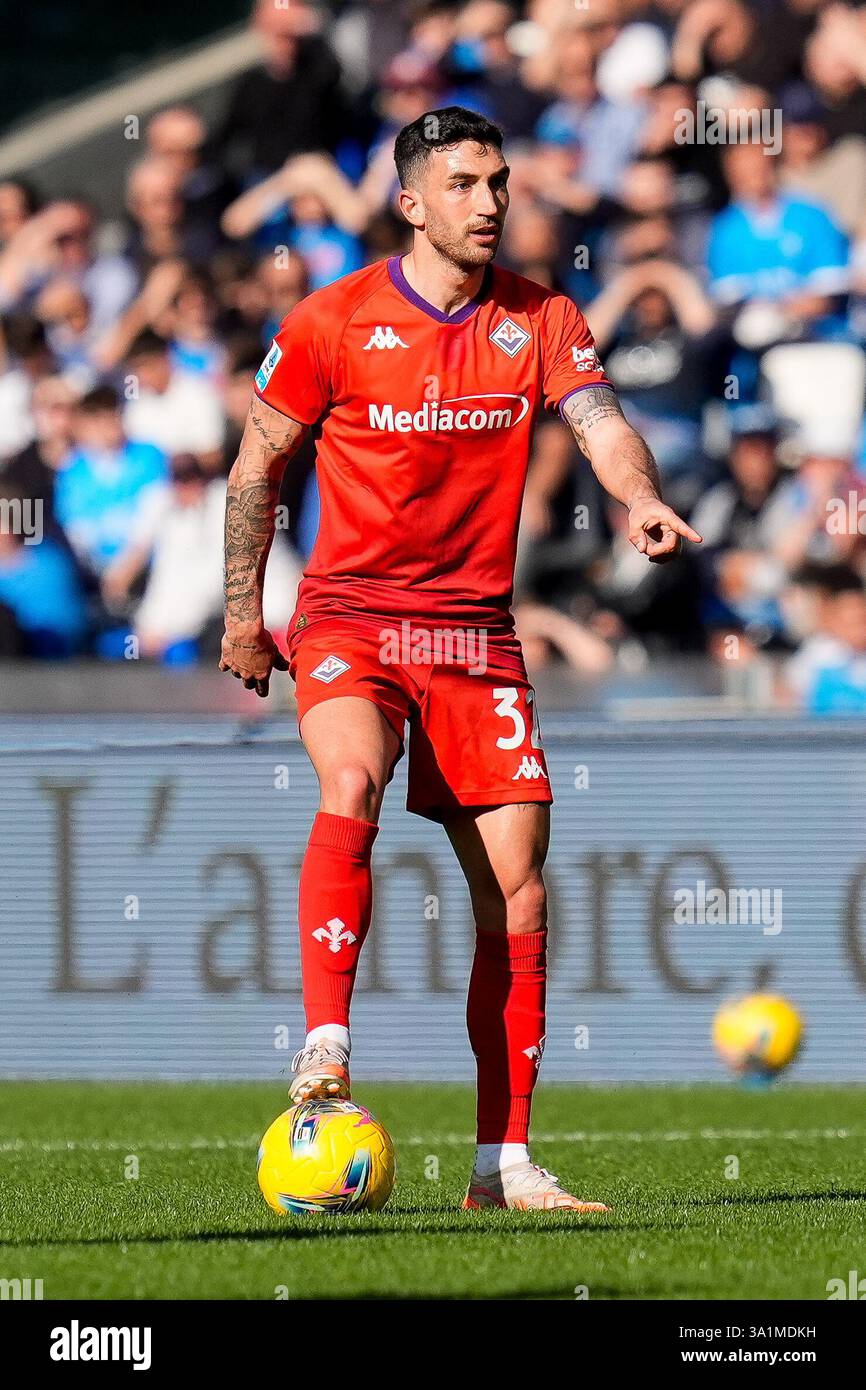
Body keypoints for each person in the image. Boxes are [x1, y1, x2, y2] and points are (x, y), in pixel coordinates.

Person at [219, 106, 700, 1212]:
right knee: (351, 778)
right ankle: (325, 1046)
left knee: (517, 893)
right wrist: (245, 617)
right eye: (468, 184)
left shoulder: (539, 318)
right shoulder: (331, 321)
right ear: (411, 202)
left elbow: (599, 420)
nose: (490, 202)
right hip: (350, 613)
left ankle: (505, 1166)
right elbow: (256, 473)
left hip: (473, 634)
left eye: (499, 181)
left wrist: (637, 497)